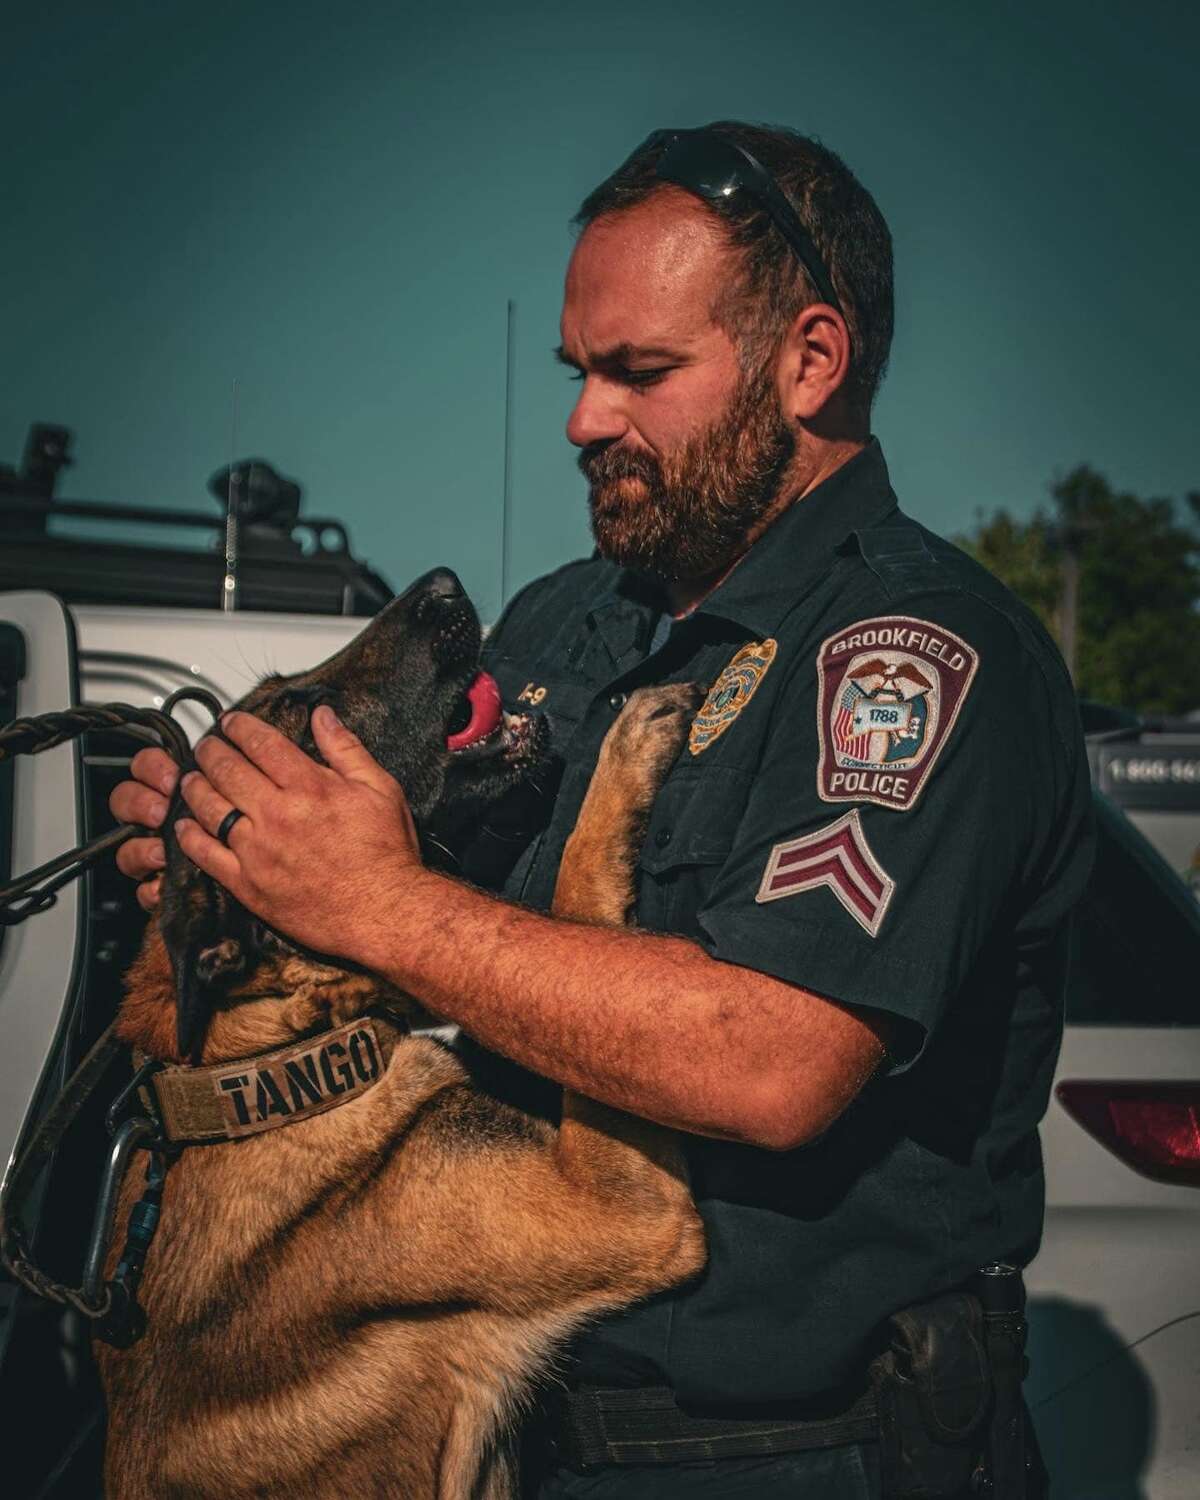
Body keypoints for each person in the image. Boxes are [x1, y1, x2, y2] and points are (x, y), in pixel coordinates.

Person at [111, 122, 1094, 1497]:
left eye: (640, 372)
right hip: (508, 1440)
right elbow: (384, 900)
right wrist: (241, 838)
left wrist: (374, 902)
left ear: (810, 360)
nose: (584, 420)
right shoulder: (564, 622)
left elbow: (772, 1060)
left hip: (795, 1455)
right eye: (580, 372)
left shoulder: (912, 654)